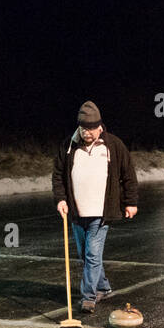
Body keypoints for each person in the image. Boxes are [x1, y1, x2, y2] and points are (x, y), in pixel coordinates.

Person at [51, 101, 139, 313]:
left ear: (100, 126)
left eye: (90, 129)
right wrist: (61, 199)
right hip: (76, 212)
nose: (86, 133)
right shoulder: (68, 145)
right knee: (85, 255)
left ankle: (89, 296)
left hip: (101, 213)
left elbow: (129, 175)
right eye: (83, 128)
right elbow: (58, 175)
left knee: (92, 255)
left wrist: (131, 202)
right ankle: (103, 286)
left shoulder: (114, 146)